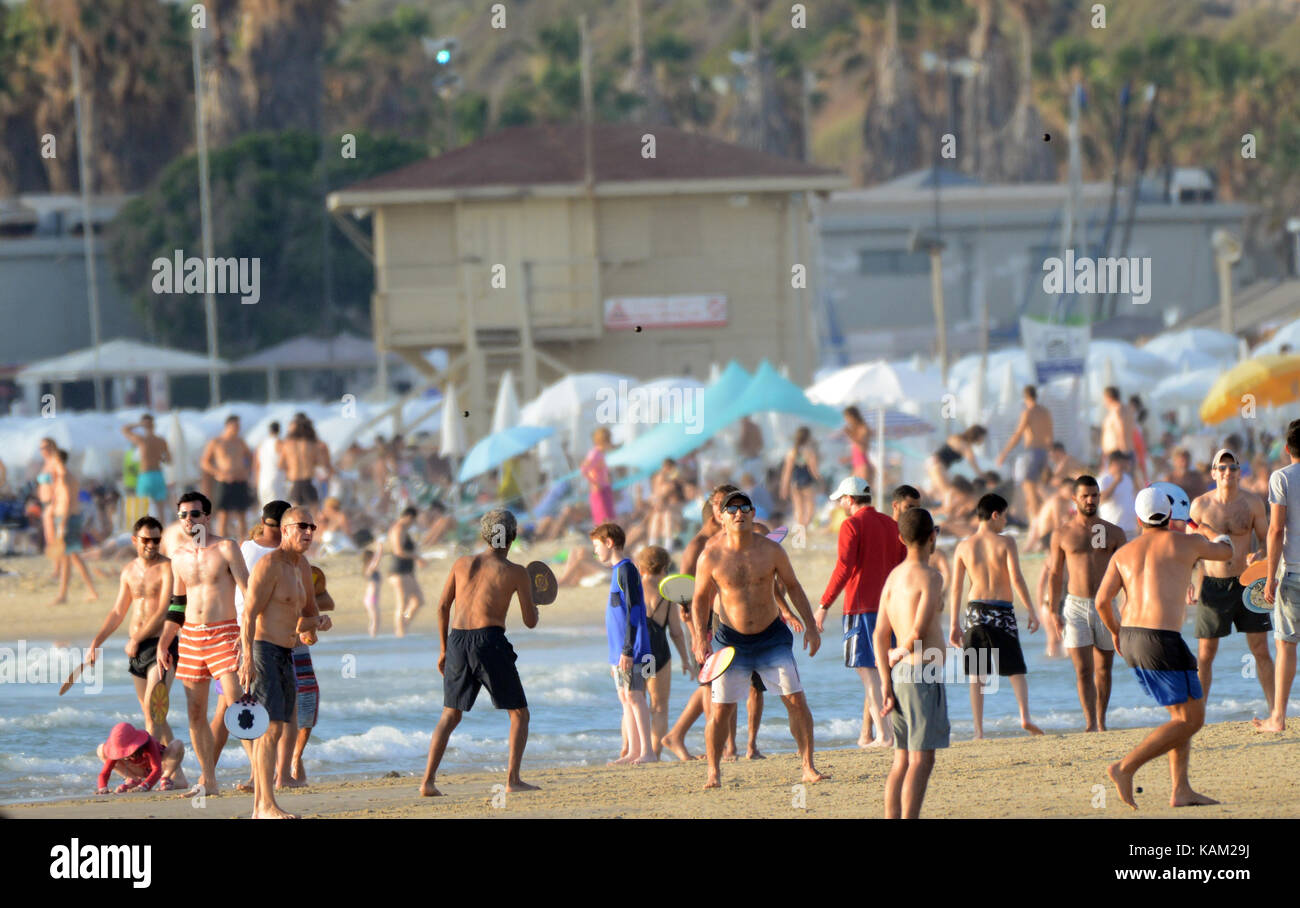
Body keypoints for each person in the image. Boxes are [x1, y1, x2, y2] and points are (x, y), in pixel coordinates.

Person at [1096, 487, 1233, 809]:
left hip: (1131, 637)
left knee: (1180, 715)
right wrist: (1205, 529)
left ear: (1139, 518)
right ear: (1170, 515)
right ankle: (1125, 767)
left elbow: (1102, 601)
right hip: (1161, 640)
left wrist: (1116, 634)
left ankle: (1181, 790)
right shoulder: (1186, 542)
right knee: (1193, 719)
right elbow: (1226, 552)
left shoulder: (1123, 553)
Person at [691, 490, 823, 788]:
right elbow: (699, 599)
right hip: (730, 641)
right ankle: (713, 772)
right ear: (721, 518)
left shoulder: (771, 551)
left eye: (745, 507)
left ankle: (808, 767)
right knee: (721, 708)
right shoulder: (710, 555)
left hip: (771, 637)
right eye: (732, 509)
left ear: (752, 514)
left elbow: (792, 585)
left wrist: (811, 626)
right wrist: (700, 637)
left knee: (795, 700)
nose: (739, 513)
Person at [421, 509, 539, 795]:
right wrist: (534, 600)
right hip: (489, 641)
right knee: (519, 714)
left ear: (485, 535)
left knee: (450, 715)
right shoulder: (515, 572)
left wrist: (442, 649)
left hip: (457, 641)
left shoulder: (462, 563)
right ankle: (512, 780)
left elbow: (441, 607)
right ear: (511, 537)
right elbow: (530, 621)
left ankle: (427, 782)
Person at [156, 491, 251, 798]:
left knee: (237, 703)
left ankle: (258, 773)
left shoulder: (226, 547)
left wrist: (247, 638)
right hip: (192, 637)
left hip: (224, 633)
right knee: (196, 713)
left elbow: (249, 594)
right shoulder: (178, 556)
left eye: (195, 514)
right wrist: (165, 642)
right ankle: (208, 781)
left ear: (207, 518)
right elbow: (177, 605)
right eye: (183, 515)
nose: (189, 520)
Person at [239, 506, 326, 818]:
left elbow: (307, 615)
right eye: (302, 526)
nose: (308, 532)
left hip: (287, 652)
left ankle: (264, 805)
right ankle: (263, 806)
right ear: (286, 530)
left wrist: (316, 626)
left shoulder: (302, 566)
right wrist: (247, 658)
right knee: (270, 728)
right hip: (263, 651)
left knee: (281, 725)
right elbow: (249, 614)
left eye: (312, 527)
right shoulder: (269, 565)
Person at [817, 476, 905, 748]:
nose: (841, 504)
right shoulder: (891, 525)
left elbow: (844, 567)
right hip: (891, 608)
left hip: (860, 607)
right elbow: (903, 563)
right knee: (884, 671)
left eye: (842, 499)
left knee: (868, 672)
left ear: (850, 500)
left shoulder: (851, 525)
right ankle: (891, 732)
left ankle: (885, 735)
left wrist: (823, 605)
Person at [950, 493, 1043, 738]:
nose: (1005, 522)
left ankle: (978, 730)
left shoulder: (963, 546)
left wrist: (953, 624)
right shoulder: (1006, 542)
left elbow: (956, 588)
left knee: (977, 674)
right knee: (1015, 669)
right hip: (1001, 611)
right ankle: (1025, 716)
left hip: (974, 612)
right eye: (1004, 516)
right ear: (995, 515)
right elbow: (1016, 578)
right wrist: (1031, 610)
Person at [876, 507, 949, 818]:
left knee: (902, 759)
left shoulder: (893, 577)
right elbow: (917, 631)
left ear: (901, 538)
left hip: (901, 675)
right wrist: (900, 652)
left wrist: (884, 680)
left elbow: (880, 633)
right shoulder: (931, 577)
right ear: (932, 536)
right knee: (921, 760)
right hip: (921, 672)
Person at [1189, 448, 1274, 708]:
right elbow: (1188, 547)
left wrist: (1260, 554)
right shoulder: (1200, 505)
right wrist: (1189, 583)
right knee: (1206, 653)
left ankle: (1275, 708)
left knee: (1260, 649)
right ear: (1213, 473)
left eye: (1233, 467)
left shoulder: (1252, 503)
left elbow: (1267, 540)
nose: (1228, 472)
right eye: (1222, 468)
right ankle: (1198, 715)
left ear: (1239, 472)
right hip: (1212, 584)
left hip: (1248, 582)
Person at [86, 516, 179, 744]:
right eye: (146, 540)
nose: (151, 545)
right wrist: (96, 642)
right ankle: (174, 772)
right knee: (152, 714)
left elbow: (164, 609)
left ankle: (152, 770)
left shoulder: (167, 567)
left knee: (153, 707)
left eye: (156, 540)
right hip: (136, 648)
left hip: (161, 644)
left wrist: (137, 638)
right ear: (135, 540)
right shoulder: (128, 571)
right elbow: (118, 611)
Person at [1044, 476, 1126, 731]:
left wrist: (1127, 605)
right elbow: (1056, 573)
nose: (1090, 500)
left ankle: (1102, 722)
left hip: (1105, 604)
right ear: (1074, 499)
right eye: (1085, 496)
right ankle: (1089, 723)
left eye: (1094, 495)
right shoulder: (1062, 533)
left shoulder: (1114, 532)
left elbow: (1127, 572)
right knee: (1082, 669)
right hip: (1075, 606)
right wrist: (1053, 610)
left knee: (1104, 668)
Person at [591, 522, 657, 765]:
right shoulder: (617, 570)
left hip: (633, 649)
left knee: (635, 696)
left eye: (597, 546)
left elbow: (635, 609)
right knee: (625, 697)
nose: (595, 551)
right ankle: (634, 751)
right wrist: (614, 655)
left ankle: (648, 752)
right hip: (618, 651)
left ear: (609, 543)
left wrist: (628, 649)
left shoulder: (626, 570)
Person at [1257, 419, 1300, 733]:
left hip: (1293, 572)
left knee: (1285, 645)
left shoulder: (1281, 478)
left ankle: (1278, 718)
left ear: (1287, 449)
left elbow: (1275, 530)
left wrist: (1270, 577)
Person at [636, 545, 693, 758]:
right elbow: (676, 632)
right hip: (658, 652)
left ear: (641, 567)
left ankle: (632, 750)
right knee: (659, 706)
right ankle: (655, 753)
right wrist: (686, 660)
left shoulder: (634, 590)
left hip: (637, 652)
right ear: (665, 568)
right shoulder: (667, 594)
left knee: (636, 703)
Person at [48, 448, 98, 604]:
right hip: (70, 518)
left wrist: (62, 526)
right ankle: (63, 594)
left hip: (67, 519)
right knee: (68, 558)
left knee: (73, 557)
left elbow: (67, 502)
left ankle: (90, 591)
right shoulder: (69, 476)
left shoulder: (64, 477)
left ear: (57, 460)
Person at [200, 415, 254, 541]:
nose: (237, 429)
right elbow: (205, 462)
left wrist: (247, 470)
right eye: (235, 426)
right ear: (228, 426)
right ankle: (222, 542)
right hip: (224, 481)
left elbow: (251, 457)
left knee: (242, 514)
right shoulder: (217, 442)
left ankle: (242, 542)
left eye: (238, 426)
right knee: (223, 514)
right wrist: (218, 472)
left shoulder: (240, 441)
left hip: (240, 480)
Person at [95, 722, 186, 794]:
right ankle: (133, 779)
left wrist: (144, 786)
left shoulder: (149, 743)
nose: (124, 754)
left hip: (161, 766)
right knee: (101, 749)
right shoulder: (115, 751)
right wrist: (102, 787)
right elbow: (105, 772)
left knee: (177, 744)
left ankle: (166, 778)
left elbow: (156, 769)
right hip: (138, 770)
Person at [121, 414, 171, 520]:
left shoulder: (141, 439)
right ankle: (162, 532)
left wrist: (139, 424)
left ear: (144, 426)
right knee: (160, 509)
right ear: (154, 425)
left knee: (142, 509)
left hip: (145, 475)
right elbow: (169, 460)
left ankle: (144, 533)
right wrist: (158, 457)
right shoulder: (161, 441)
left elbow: (124, 429)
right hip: (158, 474)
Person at [387, 507, 425, 636]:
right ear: (409, 517)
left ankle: (403, 626)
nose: (413, 523)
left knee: (418, 600)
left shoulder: (404, 530)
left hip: (407, 572)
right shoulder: (398, 528)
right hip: (399, 571)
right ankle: (400, 632)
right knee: (402, 603)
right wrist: (417, 558)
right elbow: (398, 551)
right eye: (413, 520)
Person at [779, 427, 822, 530]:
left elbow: (787, 472)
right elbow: (813, 470)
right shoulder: (809, 452)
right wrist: (820, 481)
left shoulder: (791, 452)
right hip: (807, 482)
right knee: (810, 506)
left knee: (798, 507)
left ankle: (800, 529)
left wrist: (783, 488)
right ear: (808, 438)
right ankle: (805, 527)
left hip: (795, 483)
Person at [928, 425, 987, 498]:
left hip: (932, 462)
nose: (983, 440)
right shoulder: (966, 446)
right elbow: (973, 464)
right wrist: (983, 476)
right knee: (947, 493)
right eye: (983, 437)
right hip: (938, 465)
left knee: (934, 492)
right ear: (978, 436)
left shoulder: (955, 437)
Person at [281, 417, 325, 506]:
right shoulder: (312, 444)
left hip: (294, 481)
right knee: (314, 512)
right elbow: (320, 462)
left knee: (296, 513)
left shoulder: (287, 445)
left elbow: (281, 464)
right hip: (308, 480)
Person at [581, 427, 617, 525]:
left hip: (605, 488)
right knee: (603, 521)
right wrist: (595, 483)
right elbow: (584, 469)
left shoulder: (601, 453)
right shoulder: (594, 453)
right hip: (599, 491)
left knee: (610, 520)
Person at [1098, 451, 1138, 537]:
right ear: (1114, 463)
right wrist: (1115, 482)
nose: (1124, 466)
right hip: (1112, 528)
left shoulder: (1128, 478)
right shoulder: (1104, 479)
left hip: (1130, 529)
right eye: (1121, 463)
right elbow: (1100, 499)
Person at [252, 421, 286, 507]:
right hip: (276, 479)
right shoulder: (279, 443)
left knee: (265, 509)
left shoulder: (261, 444)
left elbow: (256, 464)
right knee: (278, 509)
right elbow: (283, 462)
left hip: (262, 480)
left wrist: (256, 480)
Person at [842, 406, 874, 482]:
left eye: (847, 418)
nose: (847, 421)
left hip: (863, 465)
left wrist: (851, 436)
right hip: (857, 465)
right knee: (848, 491)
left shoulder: (863, 428)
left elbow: (863, 449)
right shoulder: (854, 430)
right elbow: (857, 451)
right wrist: (848, 458)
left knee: (860, 492)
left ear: (853, 416)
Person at [361, 542, 383, 637]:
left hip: (372, 598)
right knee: (375, 619)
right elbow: (377, 559)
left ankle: (373, 635)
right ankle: (373, 636)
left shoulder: (369, 568)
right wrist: (380, 548)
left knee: (375, 619)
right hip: (371, 598)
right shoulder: (370, 568)